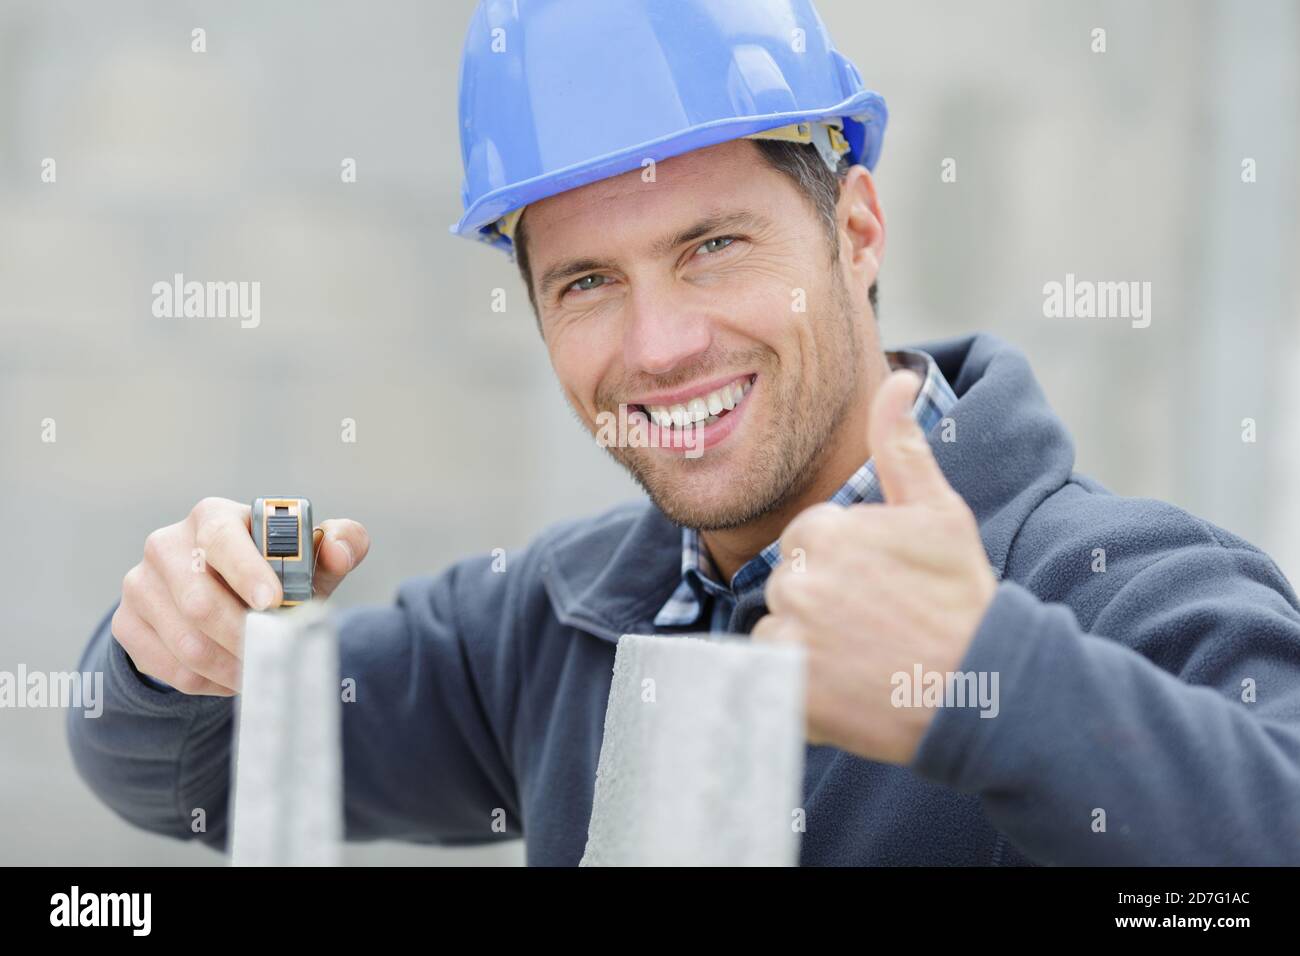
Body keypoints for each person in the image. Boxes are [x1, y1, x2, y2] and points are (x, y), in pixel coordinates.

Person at [68, 0, 1300, 865]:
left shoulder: (1118, 594)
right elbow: (186, 781)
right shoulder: (545, 623)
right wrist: (177, 650)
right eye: (587, 282)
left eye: (711, 246)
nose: (657, 346)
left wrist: (991, 677)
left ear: (856, 230)